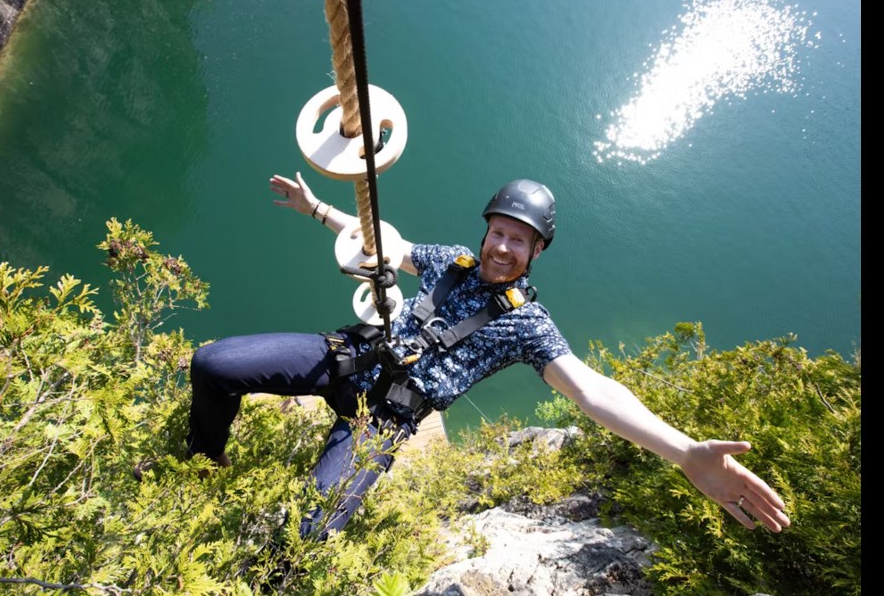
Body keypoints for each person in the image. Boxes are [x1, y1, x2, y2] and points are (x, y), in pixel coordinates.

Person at [185, 171, 791, 540]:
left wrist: (684, 451)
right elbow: (385, 241)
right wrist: (317, 209)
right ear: (485, 232)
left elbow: (592, 389)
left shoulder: (528, 323)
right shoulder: (453, 260)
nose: (504, 246)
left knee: (309, 530)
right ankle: (201, 470)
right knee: (212, 366)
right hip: (345, 356)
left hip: (385, 418)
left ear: (537, 252)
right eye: (499, 232)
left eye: (519, 240)